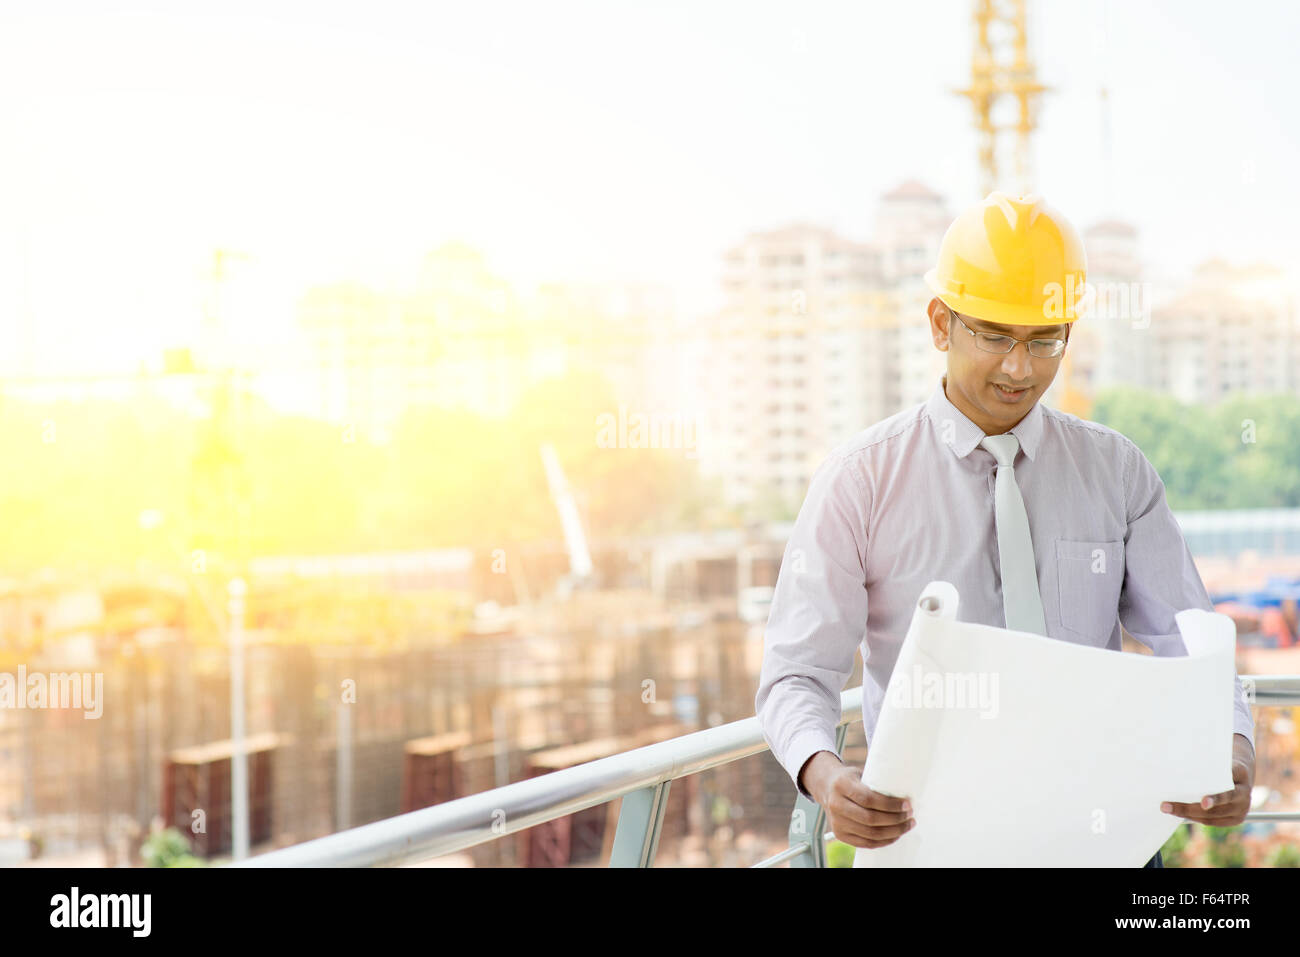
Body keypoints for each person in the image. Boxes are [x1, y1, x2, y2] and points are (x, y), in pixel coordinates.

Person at [754, 191, 1257, 867]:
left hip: (1103, 843)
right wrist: (824, 773)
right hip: (934, 848)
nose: (1021, 367)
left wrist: (1232, 743)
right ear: (940, 322)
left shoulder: (1117, 472)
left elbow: (1192, 636)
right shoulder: (858, 481)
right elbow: (796, 672)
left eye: (1045, 339)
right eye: (995, 336)